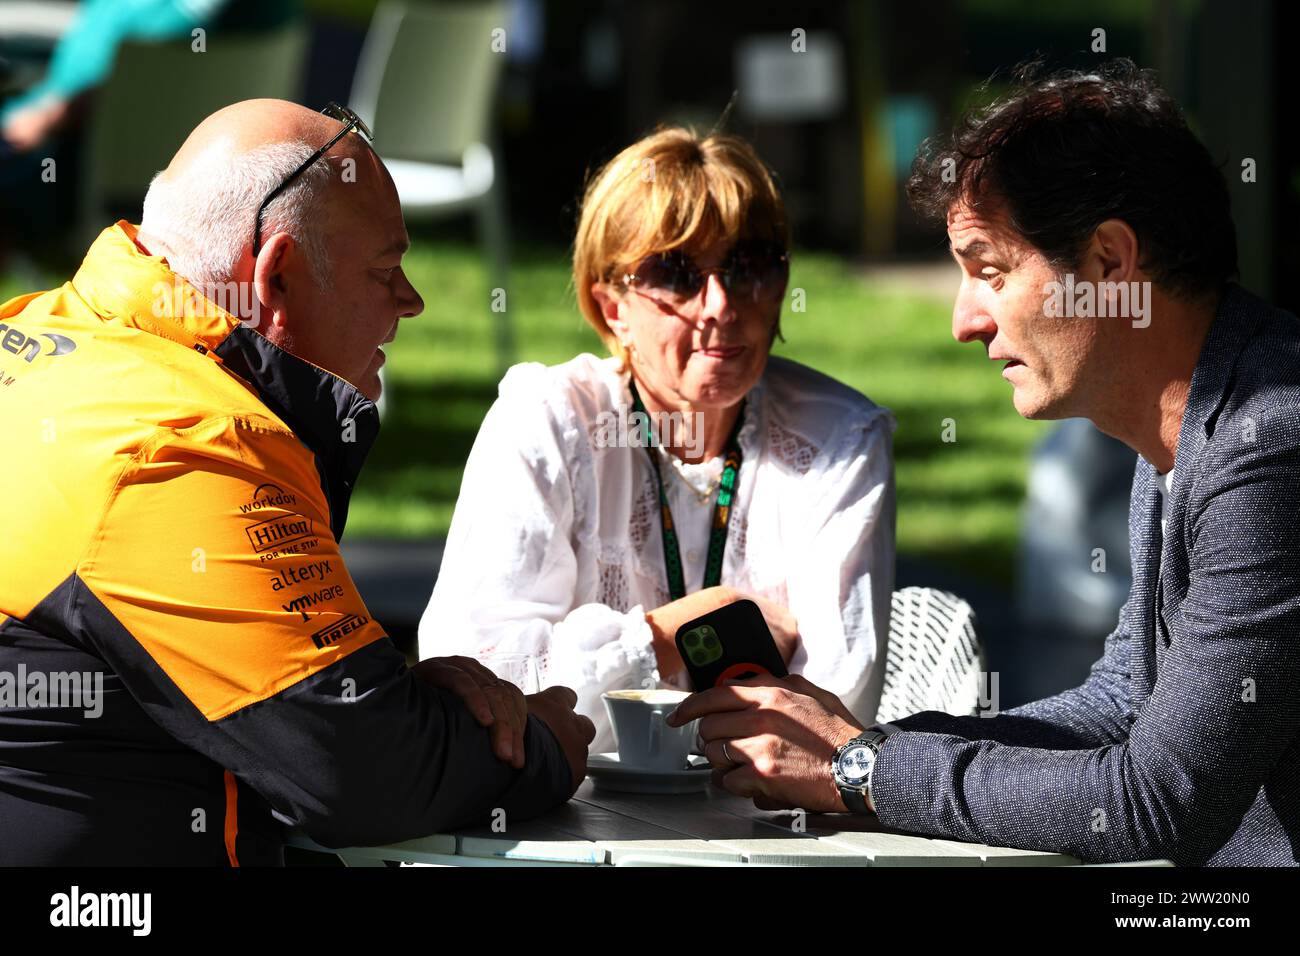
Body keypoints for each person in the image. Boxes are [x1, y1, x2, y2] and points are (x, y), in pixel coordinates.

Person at [668, 59, 1300, 867]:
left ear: (1110, 263)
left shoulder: (1269, 444)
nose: (965, 320)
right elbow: (1120, 706)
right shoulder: (1194, 419)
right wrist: (860, 747)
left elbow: (1153, 800)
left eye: (990, 271)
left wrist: (859, 769)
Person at [0, 99, 594, 865]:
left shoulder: (42, 336)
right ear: (275, 278)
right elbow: (362, 771)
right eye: (385, 269)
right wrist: (545, 741)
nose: (411, 300)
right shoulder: (190, 441)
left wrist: (401, 695)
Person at [419, 128, 896, 754]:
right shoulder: (549, 423)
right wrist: (680, 628)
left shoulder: (838, 437)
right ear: (610, 305)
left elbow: (832, 712)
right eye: (675, 273)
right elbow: (485, 688)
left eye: (749, 267)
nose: (720, 305)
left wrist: (601, 692)